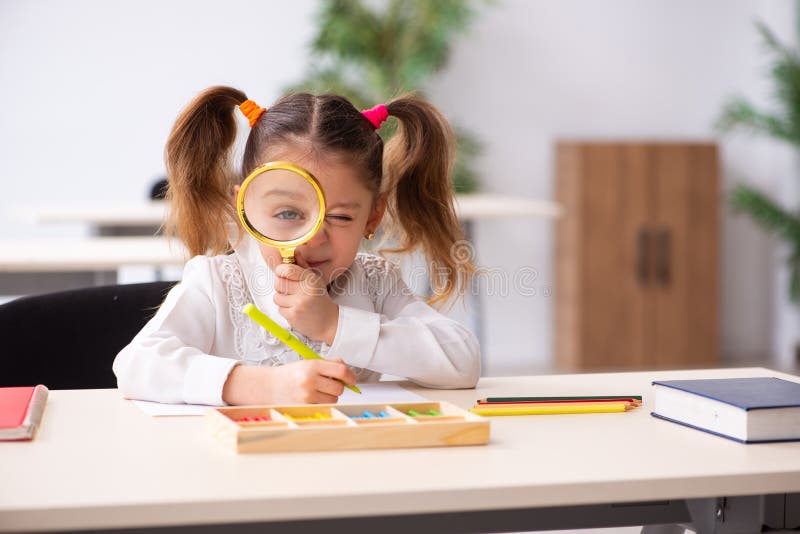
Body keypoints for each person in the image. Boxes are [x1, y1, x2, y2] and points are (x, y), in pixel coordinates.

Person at [113, 86, 480, 406]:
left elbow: (462, 361)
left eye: (339, 217)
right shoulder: (219, 282)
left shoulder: (375, 283)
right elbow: (136, 365)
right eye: (289, 213)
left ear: (373, 216)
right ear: (246, 208)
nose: (314, 237)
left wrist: (335, 324)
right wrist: (263, 386)